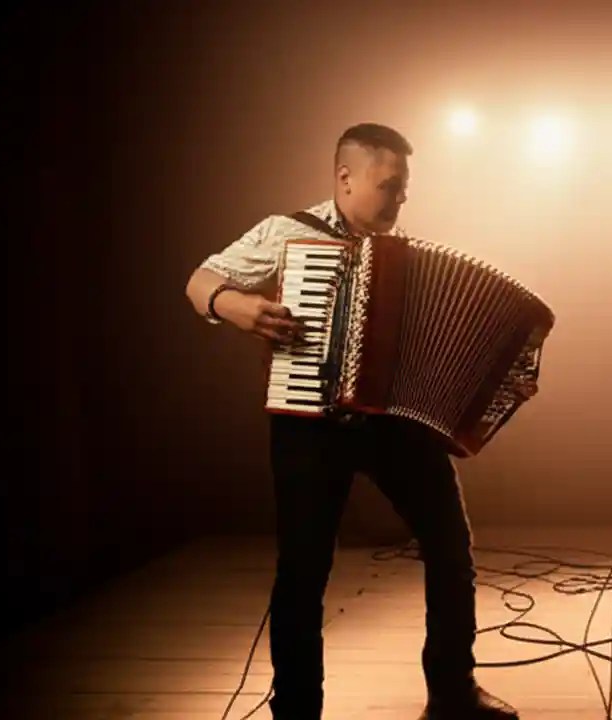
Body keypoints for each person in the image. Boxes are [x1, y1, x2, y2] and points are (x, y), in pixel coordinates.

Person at [185, 123, 519, 720]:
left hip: (394, 424)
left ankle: (452, 691)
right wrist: (235, 306)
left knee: (450, 546)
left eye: (404, 188)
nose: (399, 199)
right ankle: (295, 710)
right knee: (304, 570)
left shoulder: (403, 255)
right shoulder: (287, 233)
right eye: (389, 185)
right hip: (309, 423)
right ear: (344, 178)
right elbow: (199, 282)